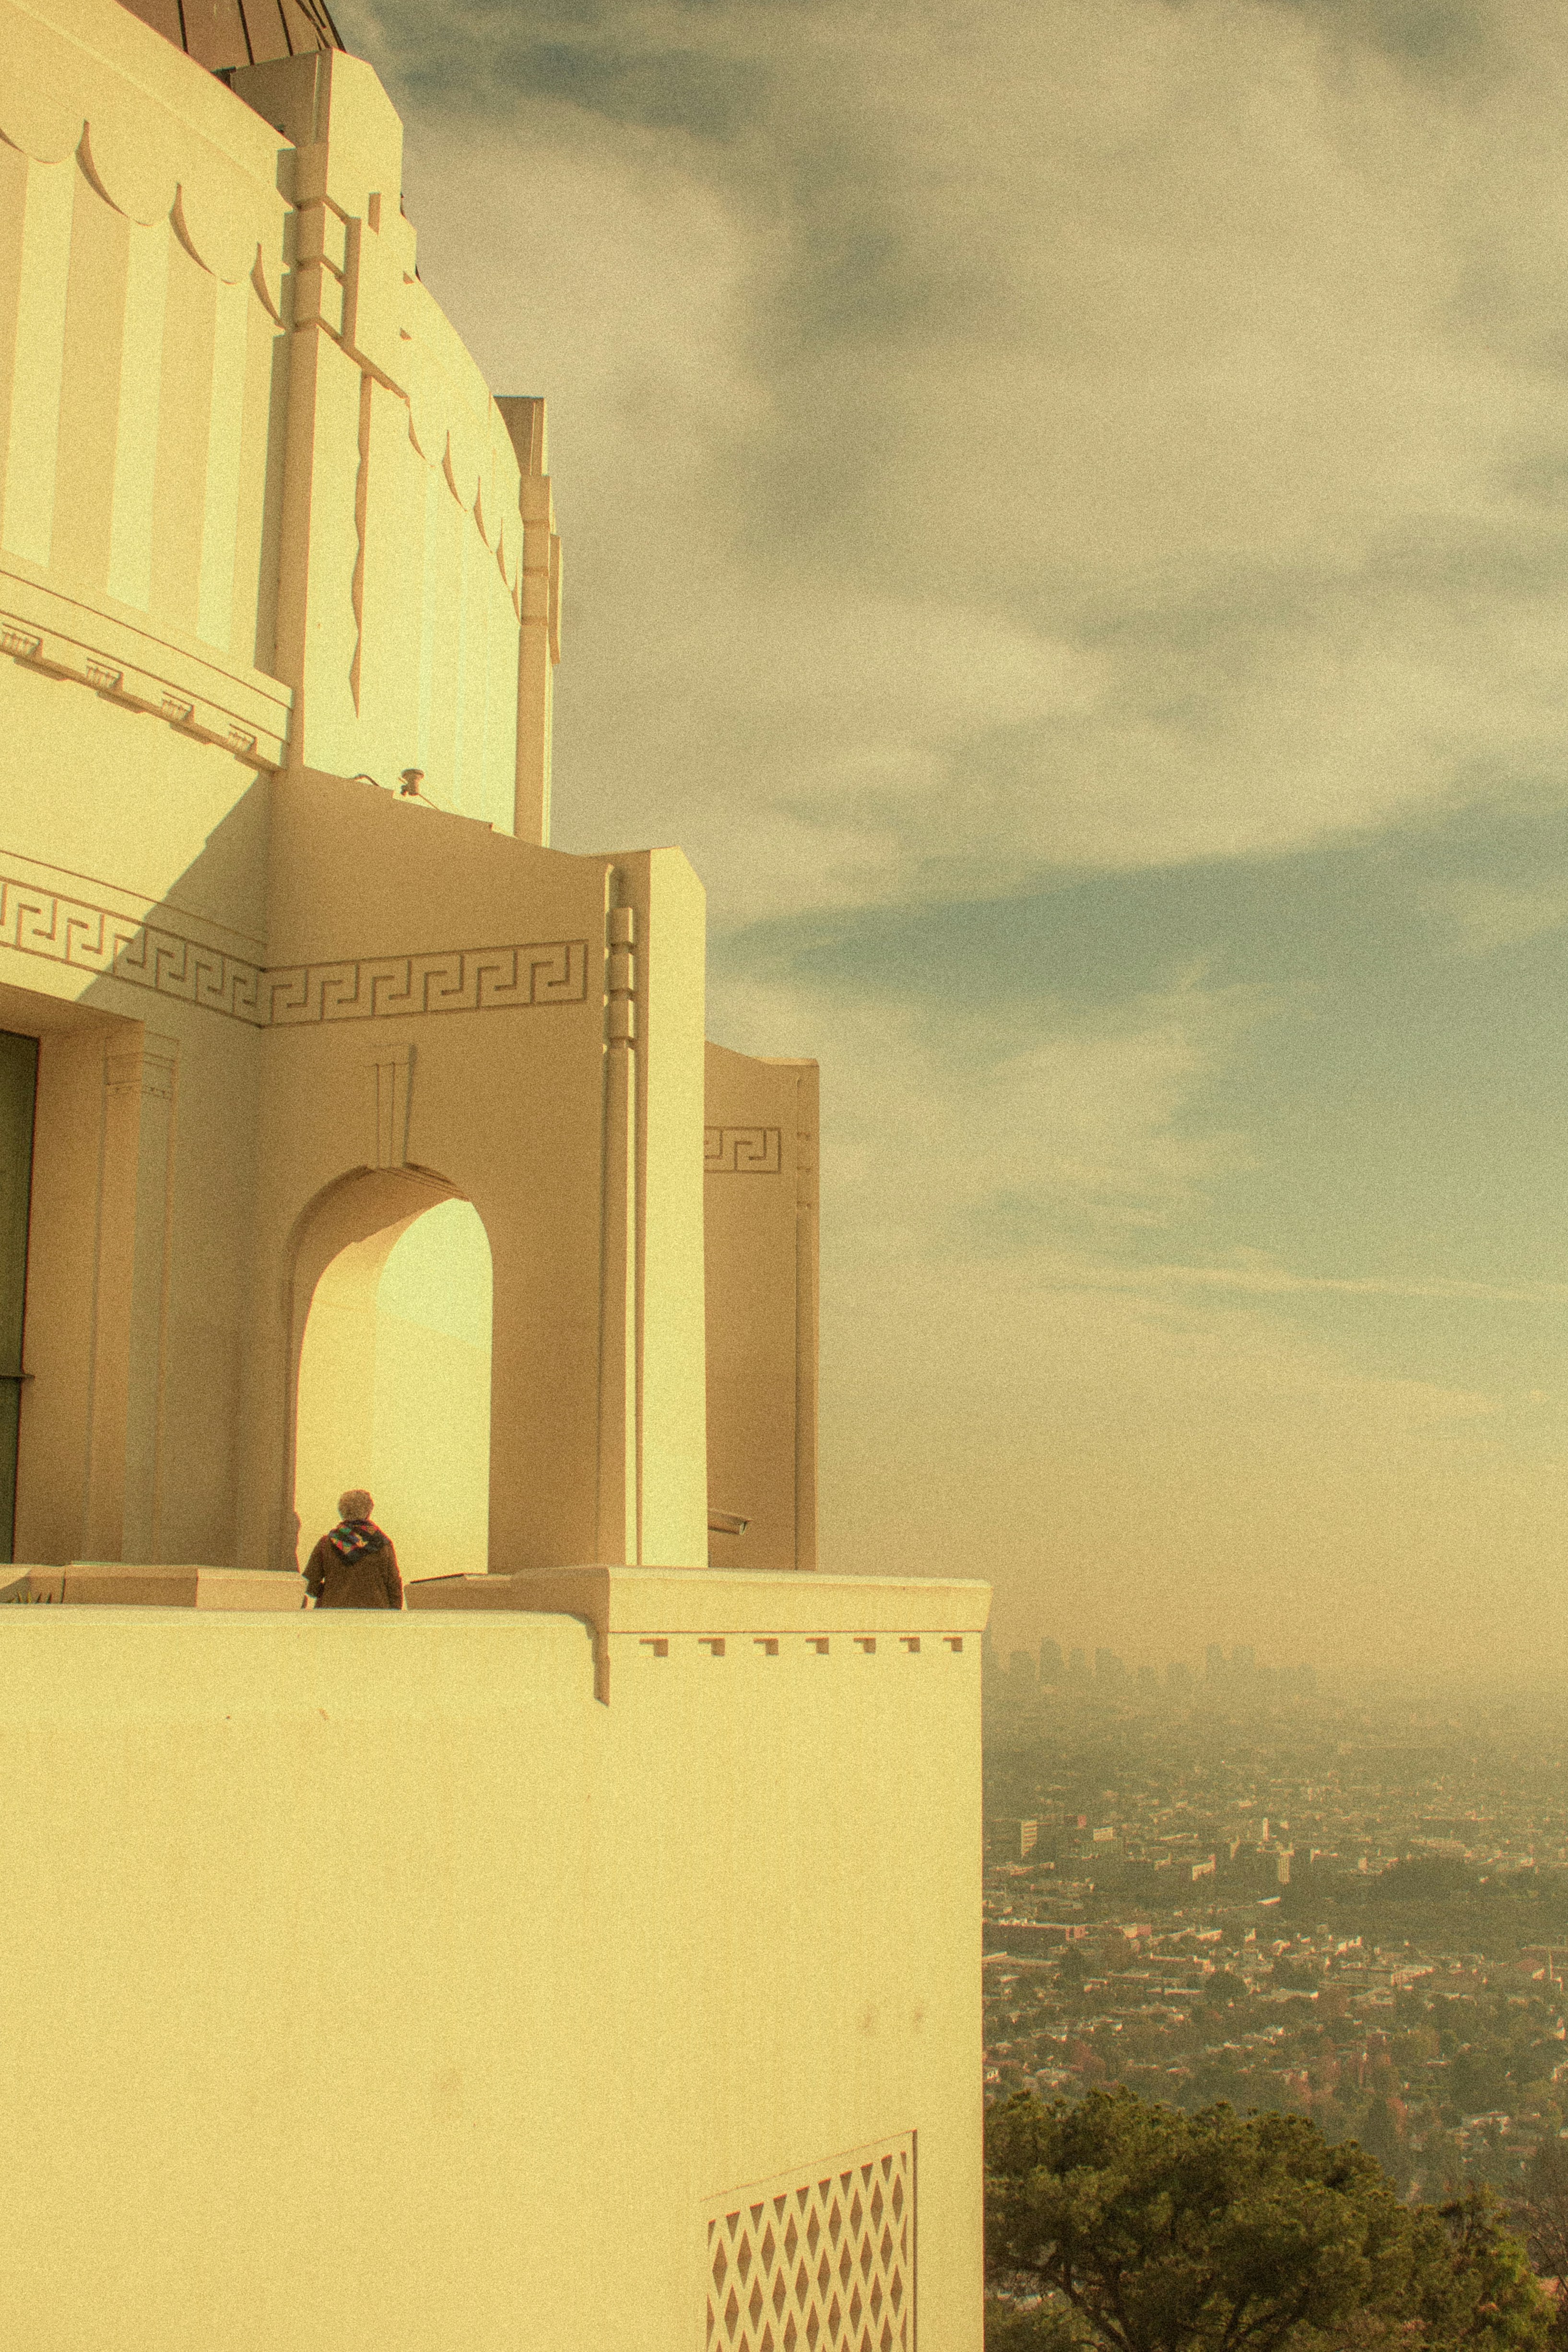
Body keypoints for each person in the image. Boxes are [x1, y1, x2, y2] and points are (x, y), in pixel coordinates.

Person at [304, 1489, 403, 1610]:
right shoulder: (383, 1544)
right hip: (376, 1617)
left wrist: (330, 1593)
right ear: (369, 1512)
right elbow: (394, 1587)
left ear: (342, 1511)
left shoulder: (326, 1544)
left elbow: (308, 1584)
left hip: (332, 1616)